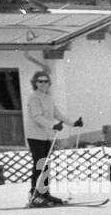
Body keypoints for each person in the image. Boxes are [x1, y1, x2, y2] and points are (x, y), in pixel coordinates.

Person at [24, 72, 82, 207]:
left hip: (46, 135)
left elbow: (57, 114)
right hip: (35, 135)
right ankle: (34, 195)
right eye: (40, 81)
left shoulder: (48, 98)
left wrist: (73, 123)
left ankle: (44, 193)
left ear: (49, 83)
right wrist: (53, 125)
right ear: (35, 83)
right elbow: (37, 116)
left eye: (46, 81)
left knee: (46, 166)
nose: (43, 84)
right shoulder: (34, 98)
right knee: (39, 164)